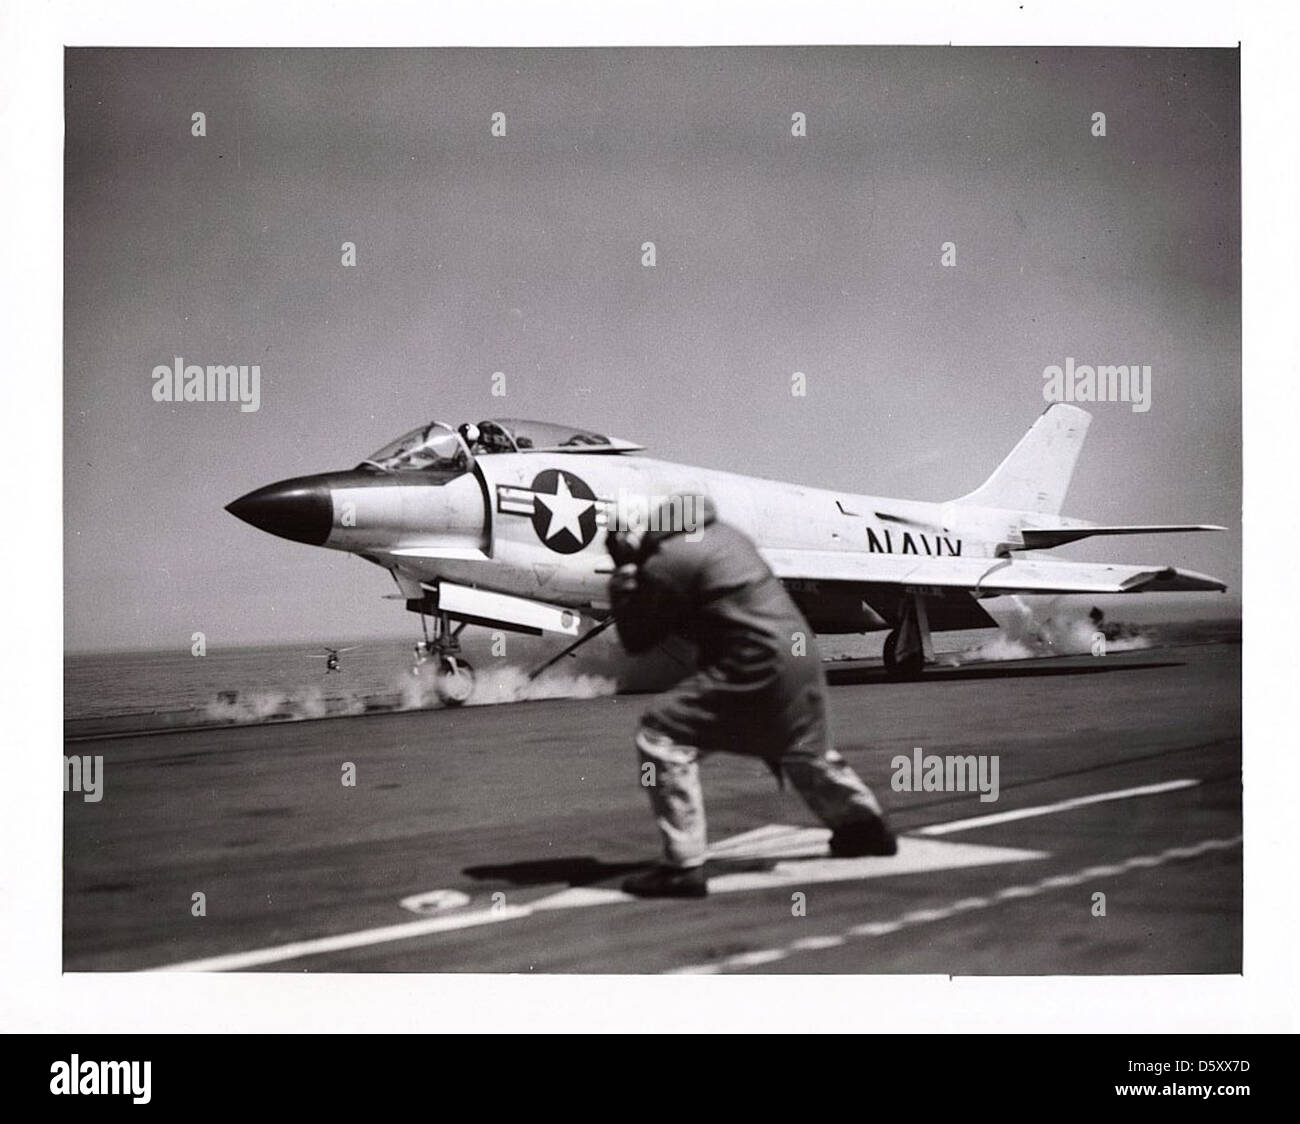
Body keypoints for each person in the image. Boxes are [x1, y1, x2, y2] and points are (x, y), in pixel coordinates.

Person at [607, 494, 897, 898]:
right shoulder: (729, 536)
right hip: (799, 654)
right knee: (799, 745)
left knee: (661, 736)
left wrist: (624, 574)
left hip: (753, 660)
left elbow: (636, 638)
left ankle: (683, 865)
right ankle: (864, 829)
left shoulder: (667, 559)